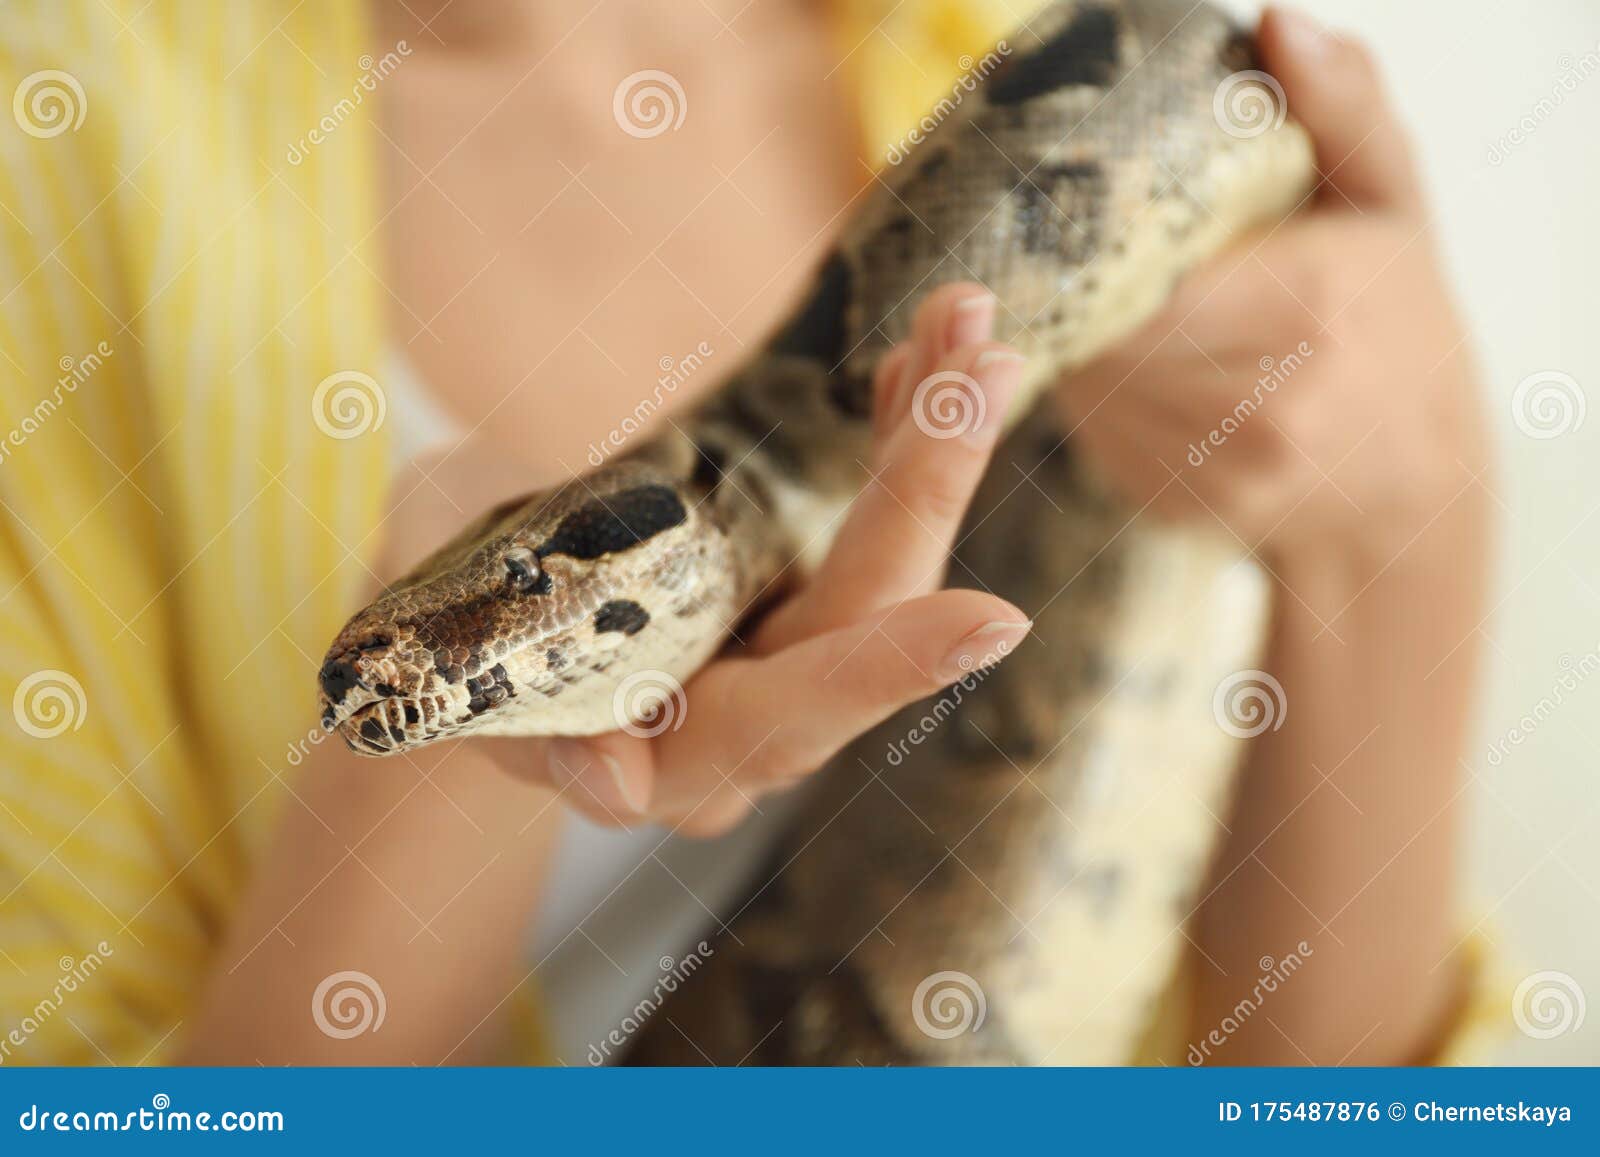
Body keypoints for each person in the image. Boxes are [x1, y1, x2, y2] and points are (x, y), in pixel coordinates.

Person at [0, 1, 1498, 1065]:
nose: (465, 632)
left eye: (513, 589)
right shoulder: (45, 168)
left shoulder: (994, 40)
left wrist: (1417, 509)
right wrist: (472, 772)